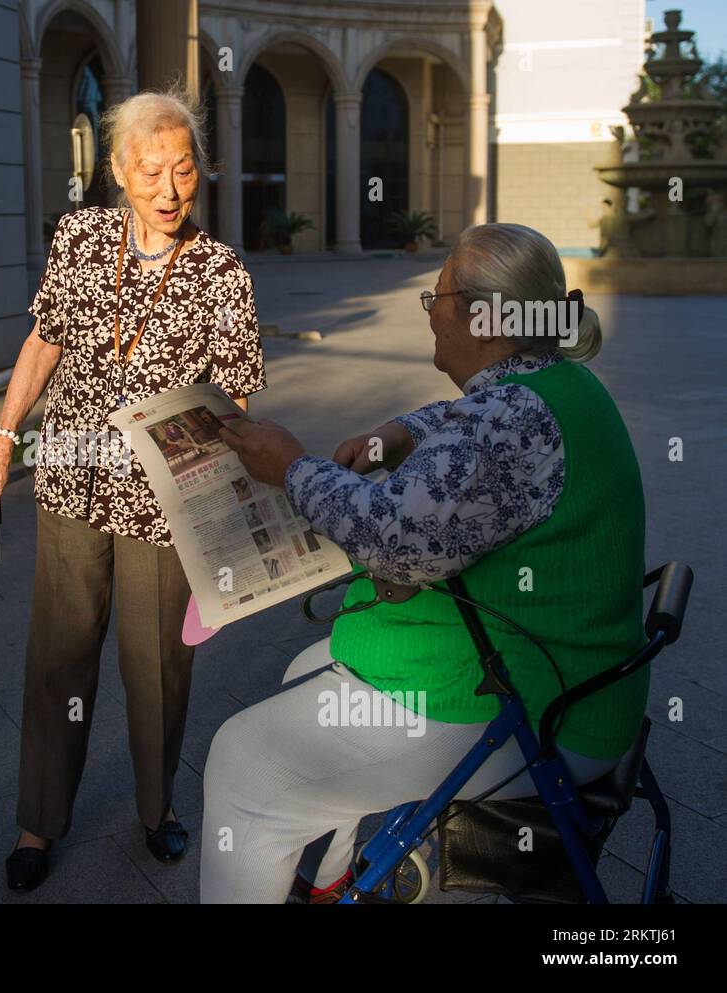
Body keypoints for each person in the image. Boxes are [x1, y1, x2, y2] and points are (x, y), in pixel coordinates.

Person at [201, 222, 647, 904]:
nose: (430, 313)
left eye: (436, 297)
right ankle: (331, 879)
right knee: (303, 672)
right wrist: (403, 430)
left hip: (541, 712)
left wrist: (290, 466)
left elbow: (391, 542)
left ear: (486, 317)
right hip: (568, 680)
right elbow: (467, 419)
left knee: (242, 759)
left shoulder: (506, 424)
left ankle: (279, 834)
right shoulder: (554, 384)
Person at [0, 88, 267, 893]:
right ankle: (40, 819)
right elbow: (44, 340)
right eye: (150, 171)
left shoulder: (220, 269)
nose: (170, 190)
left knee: (156, 664)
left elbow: (236, 391)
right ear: (116, 172)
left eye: (184, 170)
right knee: (58, 656)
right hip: (69, 477)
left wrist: (179, 433)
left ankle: (155, 804)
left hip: (162, 497)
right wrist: (2, 441)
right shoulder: (79, 237)